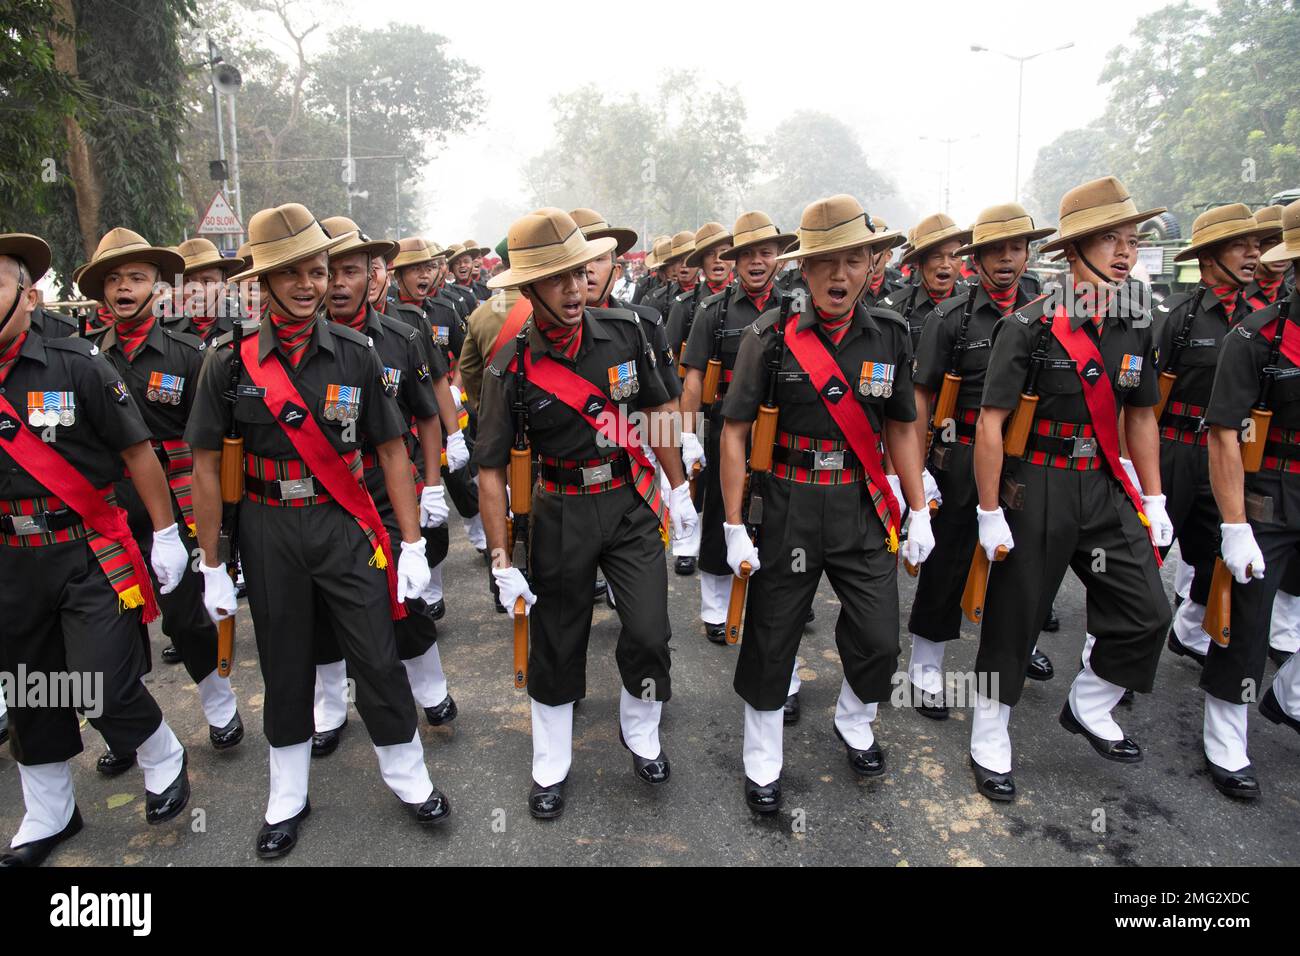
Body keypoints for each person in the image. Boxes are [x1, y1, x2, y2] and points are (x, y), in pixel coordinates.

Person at [186, 203, 450, 859]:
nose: (309, 284)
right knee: (283, 661)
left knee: (375, 652)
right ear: (264, 282)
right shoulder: (229, 363)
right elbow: (205, 466)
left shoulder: (358, 353)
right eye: (293, 274)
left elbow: (392, 451)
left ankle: (409, 776)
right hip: (269, 529)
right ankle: (287, 795)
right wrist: (212, 561)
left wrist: (412, 542)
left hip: (344, 522)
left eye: (317, 270)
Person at [476, 208, 696, 820]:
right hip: (559, 512)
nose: (574, 289)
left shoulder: (627, 333)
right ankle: (550, 760)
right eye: (555, 279)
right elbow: (491, 468)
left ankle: (642, 726)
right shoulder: (508, 366)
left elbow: (658, 415)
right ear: (528, 289)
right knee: (557, 639)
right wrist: (499, 557)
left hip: (628, 504)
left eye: (579, 274)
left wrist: (679, 490)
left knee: (650, 632)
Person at [719, 195, 929, 813]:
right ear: (804, 270)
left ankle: (854, 717)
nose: (841, 276)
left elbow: (901, 426)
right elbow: (734, 430)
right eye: (828, 263)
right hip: (788, 502)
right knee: (772, 633)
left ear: (873, 266)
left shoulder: (890, 332)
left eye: (855, 260)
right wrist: (734, 524)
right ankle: (762, 756)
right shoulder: (770, 338)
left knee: (879, 638)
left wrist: (916, 507)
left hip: (863, 503)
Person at [968, 176, 1173, 803]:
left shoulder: (1138, 323)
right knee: (1016, 616)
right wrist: (988, 510)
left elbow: (1140, 416)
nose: (1124, 252)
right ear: (1075, 249)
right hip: (1039, 484)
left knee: (1148, 610)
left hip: (1106, 484)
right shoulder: (1028, 326)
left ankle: (1088, 701)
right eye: (1109, 239)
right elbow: (990, 422)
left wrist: (1155, 497)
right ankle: (990, 732)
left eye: (1131, 240)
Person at [0, 232, 192, 867]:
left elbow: (138, 451)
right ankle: (50, 810)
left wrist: (166, 534)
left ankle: (161, 751)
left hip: (86, 549)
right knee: (31, 688)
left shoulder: (76, 363)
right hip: (10, 558)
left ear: (28, 297)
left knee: (101, 683)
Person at [86, 228, 245, 772]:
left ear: (159, 287)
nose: (124, 287)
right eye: (114, 279)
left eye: (136, 276)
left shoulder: (189, 353)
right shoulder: (86, 357)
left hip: (178, 495)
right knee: (114, 616)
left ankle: (219, 703)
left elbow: (217, 439)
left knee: (186, 614)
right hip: (109, 503)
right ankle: (126, 727)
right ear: (102, 292)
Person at [310, 216, 457, 758]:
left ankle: (429, 685)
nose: (346, 281)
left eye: (357, 269)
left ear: (374, 274)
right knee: (320, 606)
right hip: (322, 493)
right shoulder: (293, 346)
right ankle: (329, 704)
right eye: (335, 270)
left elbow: (425, 416)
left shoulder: (400, 336)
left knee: (404, 589)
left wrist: (436, 480)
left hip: (387, 484)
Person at [906, 203, 1056, 718]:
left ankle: (1017, 646)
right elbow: (922, 399)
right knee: (948, 558)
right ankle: (926, 664)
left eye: (1017, 247)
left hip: (1026, 454)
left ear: (1029, 252)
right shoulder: (950, 318)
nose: (1007, 258)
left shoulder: (1047, 310)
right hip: (963, 452)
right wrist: (921, 467)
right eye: (996, 249)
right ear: (978, 258)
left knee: (1026, 560)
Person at [1200, 197, 1300, 798]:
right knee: (1246, 621)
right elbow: (1223, 434)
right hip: (1267, 495)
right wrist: (1235, 525)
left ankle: (1287, 696)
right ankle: (1226, 737)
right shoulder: (1257, 338)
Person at [1157, 205, 1272, 674]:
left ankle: (1189, 628)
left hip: (1226, 453)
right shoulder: (1178, 319)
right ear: (1208, 259)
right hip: (1175, 447)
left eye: (1256, 246)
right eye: (1240, 246)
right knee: (1147, 554)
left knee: (1220, 552)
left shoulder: (1265, 322)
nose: (1253, 254)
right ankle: (1104, 656)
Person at [680, 212, 795, 644]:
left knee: (775, 512)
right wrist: (688, 434)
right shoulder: (714, 309)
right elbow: (692, 377)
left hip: (778, 428)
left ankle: (779, 596)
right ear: (736, 262)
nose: (757, 261)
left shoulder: (796, 306)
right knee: (720, 514)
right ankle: (715, 605)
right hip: (724, 425)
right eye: (747, 254)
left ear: (779, 258)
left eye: (766, 252)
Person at [880, 213, 971, 353]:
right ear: (919, 263)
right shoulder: (895, 309)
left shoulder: (973, 304)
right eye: (936, 257)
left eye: (954, 256)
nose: (946, 264)